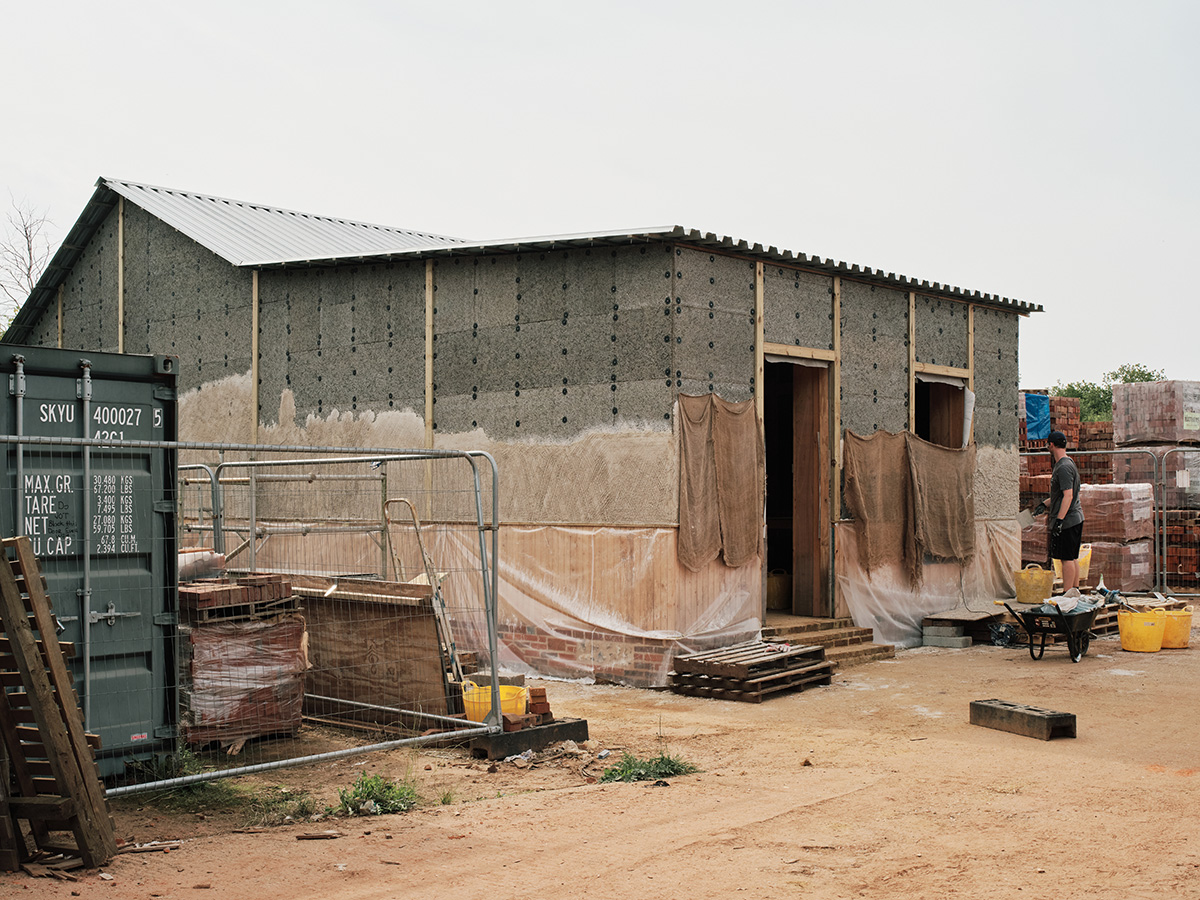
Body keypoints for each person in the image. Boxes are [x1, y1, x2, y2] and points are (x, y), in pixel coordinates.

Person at [1047, 430, 1084, 591]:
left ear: (1051, 445)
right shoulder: (1068, 463)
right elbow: (1061, 495)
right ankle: (1074, 591)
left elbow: (1068, 496)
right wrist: (1044, 504)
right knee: (1072, 557)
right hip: (1074, 517)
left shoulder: (1063, 467)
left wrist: (1059, 521)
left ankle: (1067, 593)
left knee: (1066, 558)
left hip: (1068, 519)